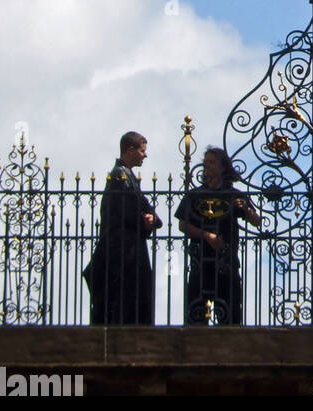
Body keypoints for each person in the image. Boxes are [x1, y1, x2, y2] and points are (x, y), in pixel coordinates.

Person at [176, 146, 261, 325]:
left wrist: (244, 208)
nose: (207, 166)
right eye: (205, 163)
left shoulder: (233, 195)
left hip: (226, 262)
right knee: (195, 318)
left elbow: (256, 221)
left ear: (223, 167)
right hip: (200, 262)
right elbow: (183, 225)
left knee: (230, 318)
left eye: (212, 163)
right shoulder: (195, 195)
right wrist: (206, 235)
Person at [84, 131, 161, 325]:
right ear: (130, 150)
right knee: (125, 297)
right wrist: (143, 219)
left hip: (129, 247)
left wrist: (152, 218)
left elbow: (142, 205)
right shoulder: (120, 175)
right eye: (142, 151)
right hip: (123, 249)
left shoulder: (127, 175)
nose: (145, 155)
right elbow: (125, 208)